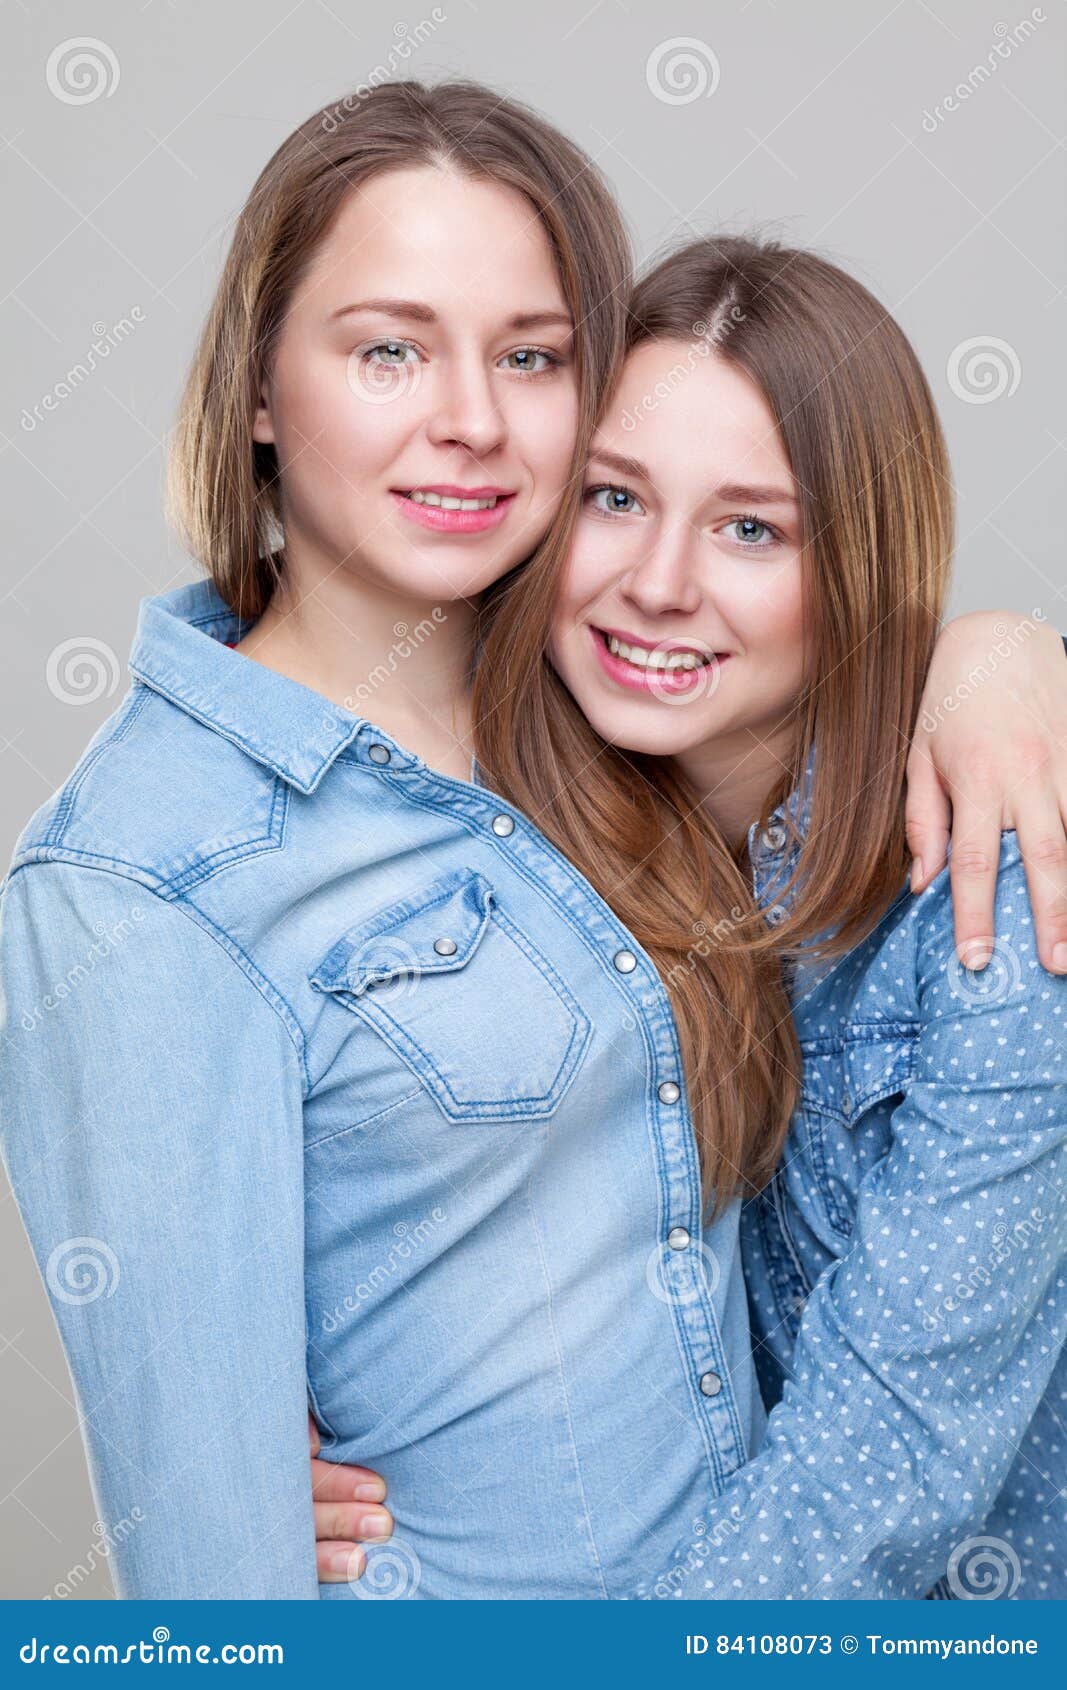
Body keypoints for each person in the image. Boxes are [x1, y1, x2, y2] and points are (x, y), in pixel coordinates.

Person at [1, 82, 1064, 1600]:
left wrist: (1010, 652)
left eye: (532, 357)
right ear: (255, 385)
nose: (473, 420)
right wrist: (236, 1496)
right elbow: (212, 1560)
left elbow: (870, 1443)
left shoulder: (602, 738)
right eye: (387, 349)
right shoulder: (151, 877)